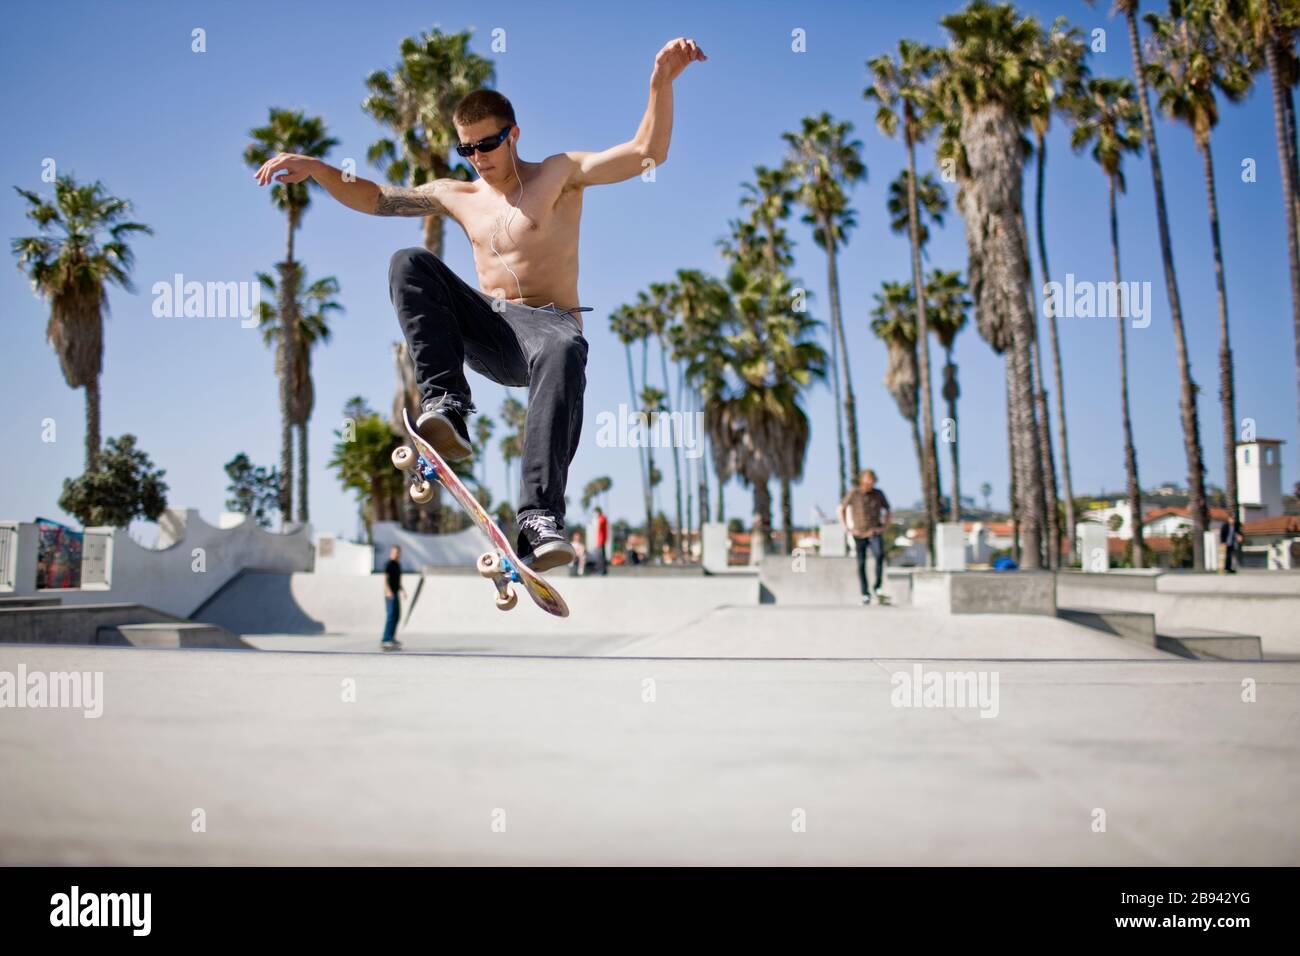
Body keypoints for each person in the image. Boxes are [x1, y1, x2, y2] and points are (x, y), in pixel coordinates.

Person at [254, 39, 706, 572]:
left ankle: (539, 518)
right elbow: (376, 198)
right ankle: (448, 405)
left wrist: (660, 84)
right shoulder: (456, 194)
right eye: (466, 149)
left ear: (513, 134)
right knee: (409, 262)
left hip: (549, 329)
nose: (477, 159)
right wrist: (319, 168)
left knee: (565, 346)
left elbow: (645, 153)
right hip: (490, 332)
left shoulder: (560, 174)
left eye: (487, 146)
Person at [838, 468, 891, 605]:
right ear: (862, 480)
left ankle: (877, 587)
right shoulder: (854, 493)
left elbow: (888, 509)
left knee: (879, 555)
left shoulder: (878, 494)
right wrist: (845, 527)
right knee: (861, 563)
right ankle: (865, 593)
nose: (871, 483)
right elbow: (841, 508)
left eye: (873, 481)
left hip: (874, 532)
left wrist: (885, 526)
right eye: (869, 480)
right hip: (859, 533)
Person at [381, 545, 404, 651]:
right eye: (394, 552)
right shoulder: (389, 564)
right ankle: (386, 639)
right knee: (391, 616)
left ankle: (392, 638)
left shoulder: (397, 564)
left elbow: (397, 580)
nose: (396, 554)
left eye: (397, 552)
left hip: (396, 592)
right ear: (391, 552)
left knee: (397, 615)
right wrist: (388, 591)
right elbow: (385, 579)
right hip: (390, 594)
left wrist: (402, 590)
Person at [593, 506, 609, 575]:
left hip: (601, 540)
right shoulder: (602, 518)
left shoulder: (602, 518)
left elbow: (598, 526)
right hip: (600, 539)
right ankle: (602, 571)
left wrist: (595, 520)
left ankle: (602, 571)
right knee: (601, 556)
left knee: (601, 557)